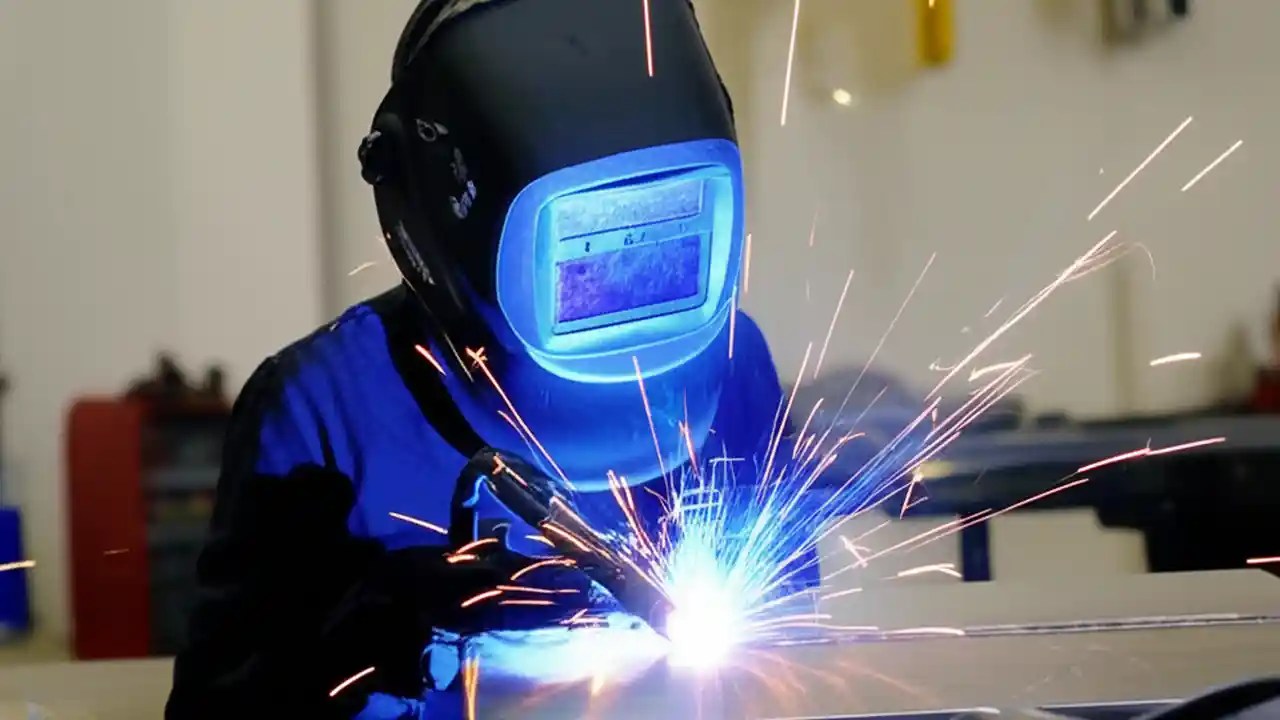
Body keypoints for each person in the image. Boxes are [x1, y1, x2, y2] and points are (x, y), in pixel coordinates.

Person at [166, 0, 785, 717]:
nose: (621, 308)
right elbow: (214, 708)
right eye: (585, 256)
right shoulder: (319, 411)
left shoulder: (736, 367)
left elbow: (793, 661)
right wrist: (364, 634)